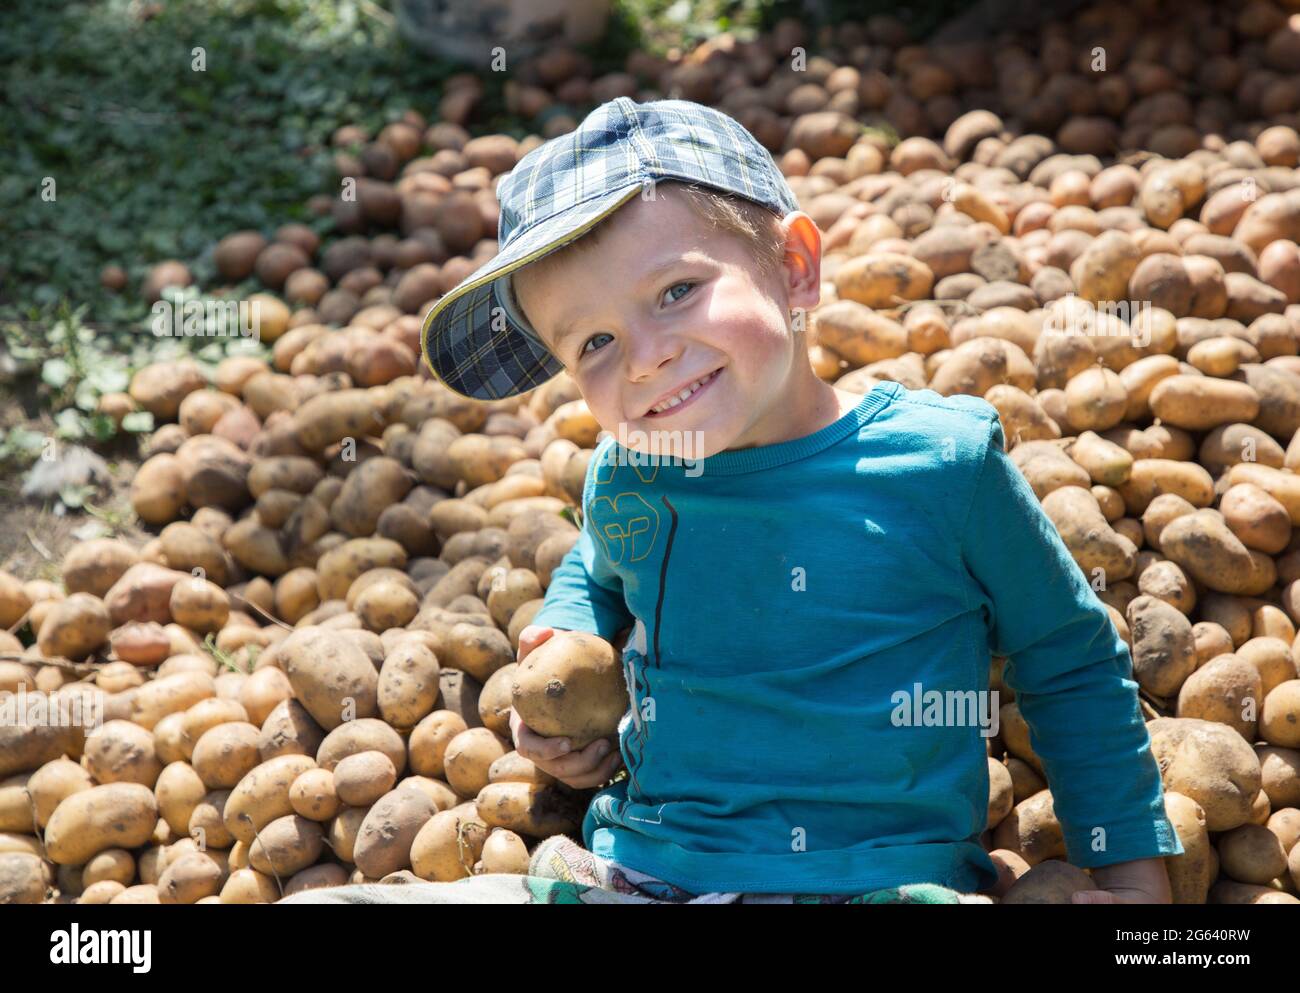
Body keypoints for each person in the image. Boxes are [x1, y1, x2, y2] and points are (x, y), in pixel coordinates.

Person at [279, 97, 1181, 905]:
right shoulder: (629, 472)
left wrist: (1132, 878)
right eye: (593, 341)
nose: (643, 357)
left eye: (676, 291)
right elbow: (595, 570)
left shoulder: (943, 461)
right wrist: (559, 655)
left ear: (794, 269)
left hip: (878, 882)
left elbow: (1068, 661)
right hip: (640, 876)